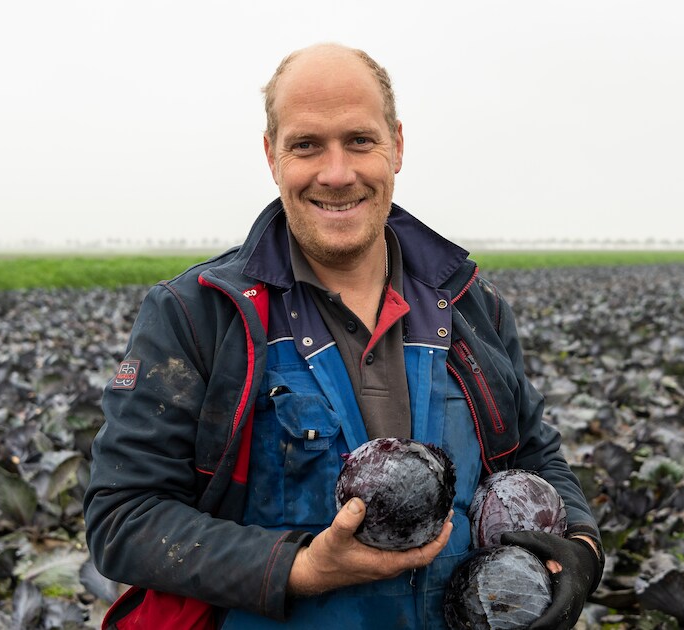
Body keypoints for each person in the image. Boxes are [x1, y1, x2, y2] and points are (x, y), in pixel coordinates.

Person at [83, 43, 602, 630]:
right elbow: (123, 521)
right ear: (271, 155)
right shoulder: (199, 315)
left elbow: (534, 457)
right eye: (306, 145)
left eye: (359, 140)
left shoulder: (469, 305)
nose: (336, 173)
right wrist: (301, 569)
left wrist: (582, 547)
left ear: (397, 146)